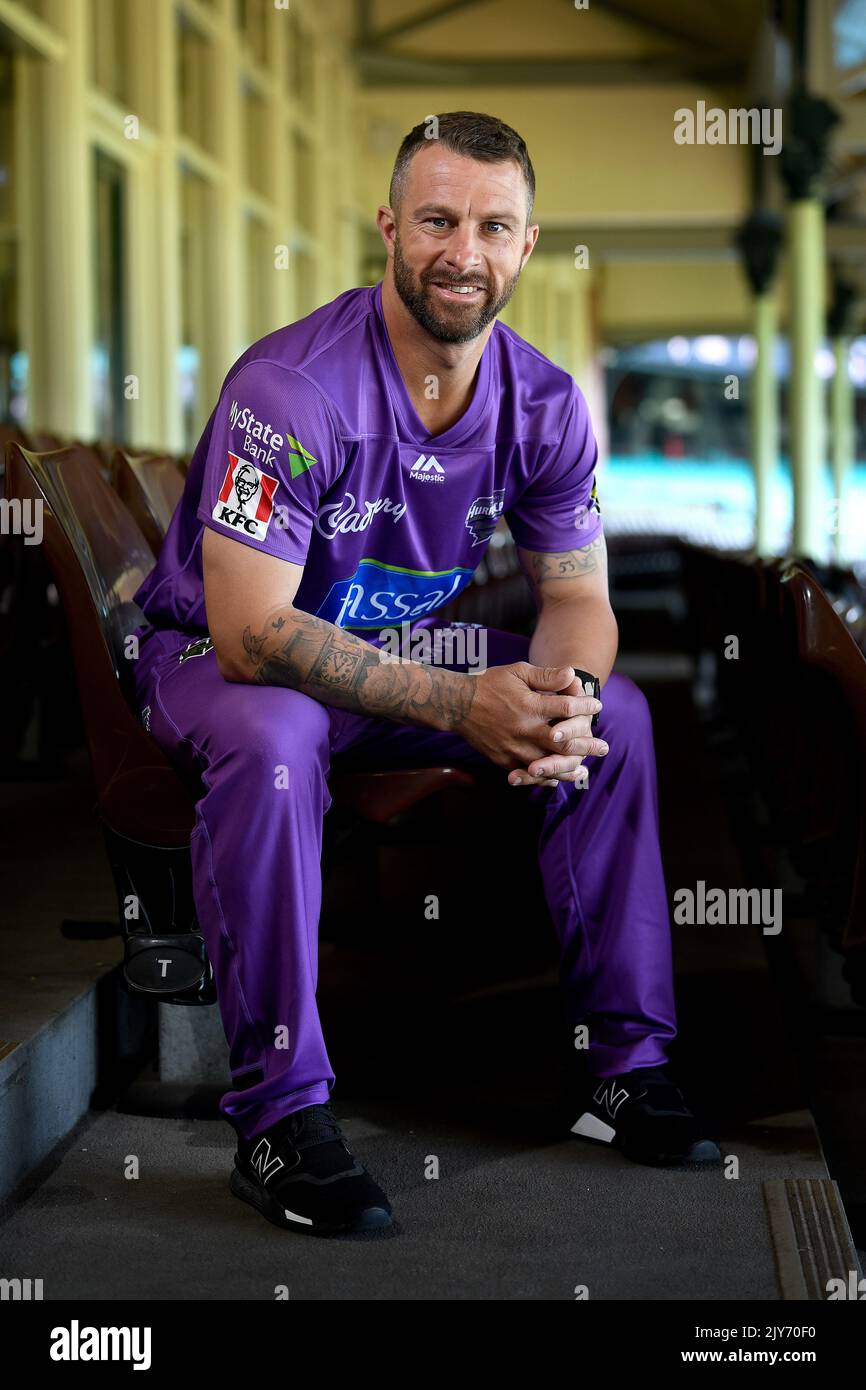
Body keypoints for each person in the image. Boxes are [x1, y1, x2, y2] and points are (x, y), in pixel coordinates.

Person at [131, 111, 720, 1238]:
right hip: (217, 661)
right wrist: (462, 702)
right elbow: (254, 633)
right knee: (276, 741)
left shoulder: (543, 405)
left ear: (527, 243)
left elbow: (575, 599)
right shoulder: (288, 389)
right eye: (439, 219)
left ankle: (622, 1066)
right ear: (389, 227)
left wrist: (562, 706)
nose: (464, 251)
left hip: (392, 664)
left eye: (492, 225)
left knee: (621, 716)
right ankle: (278, 1115)